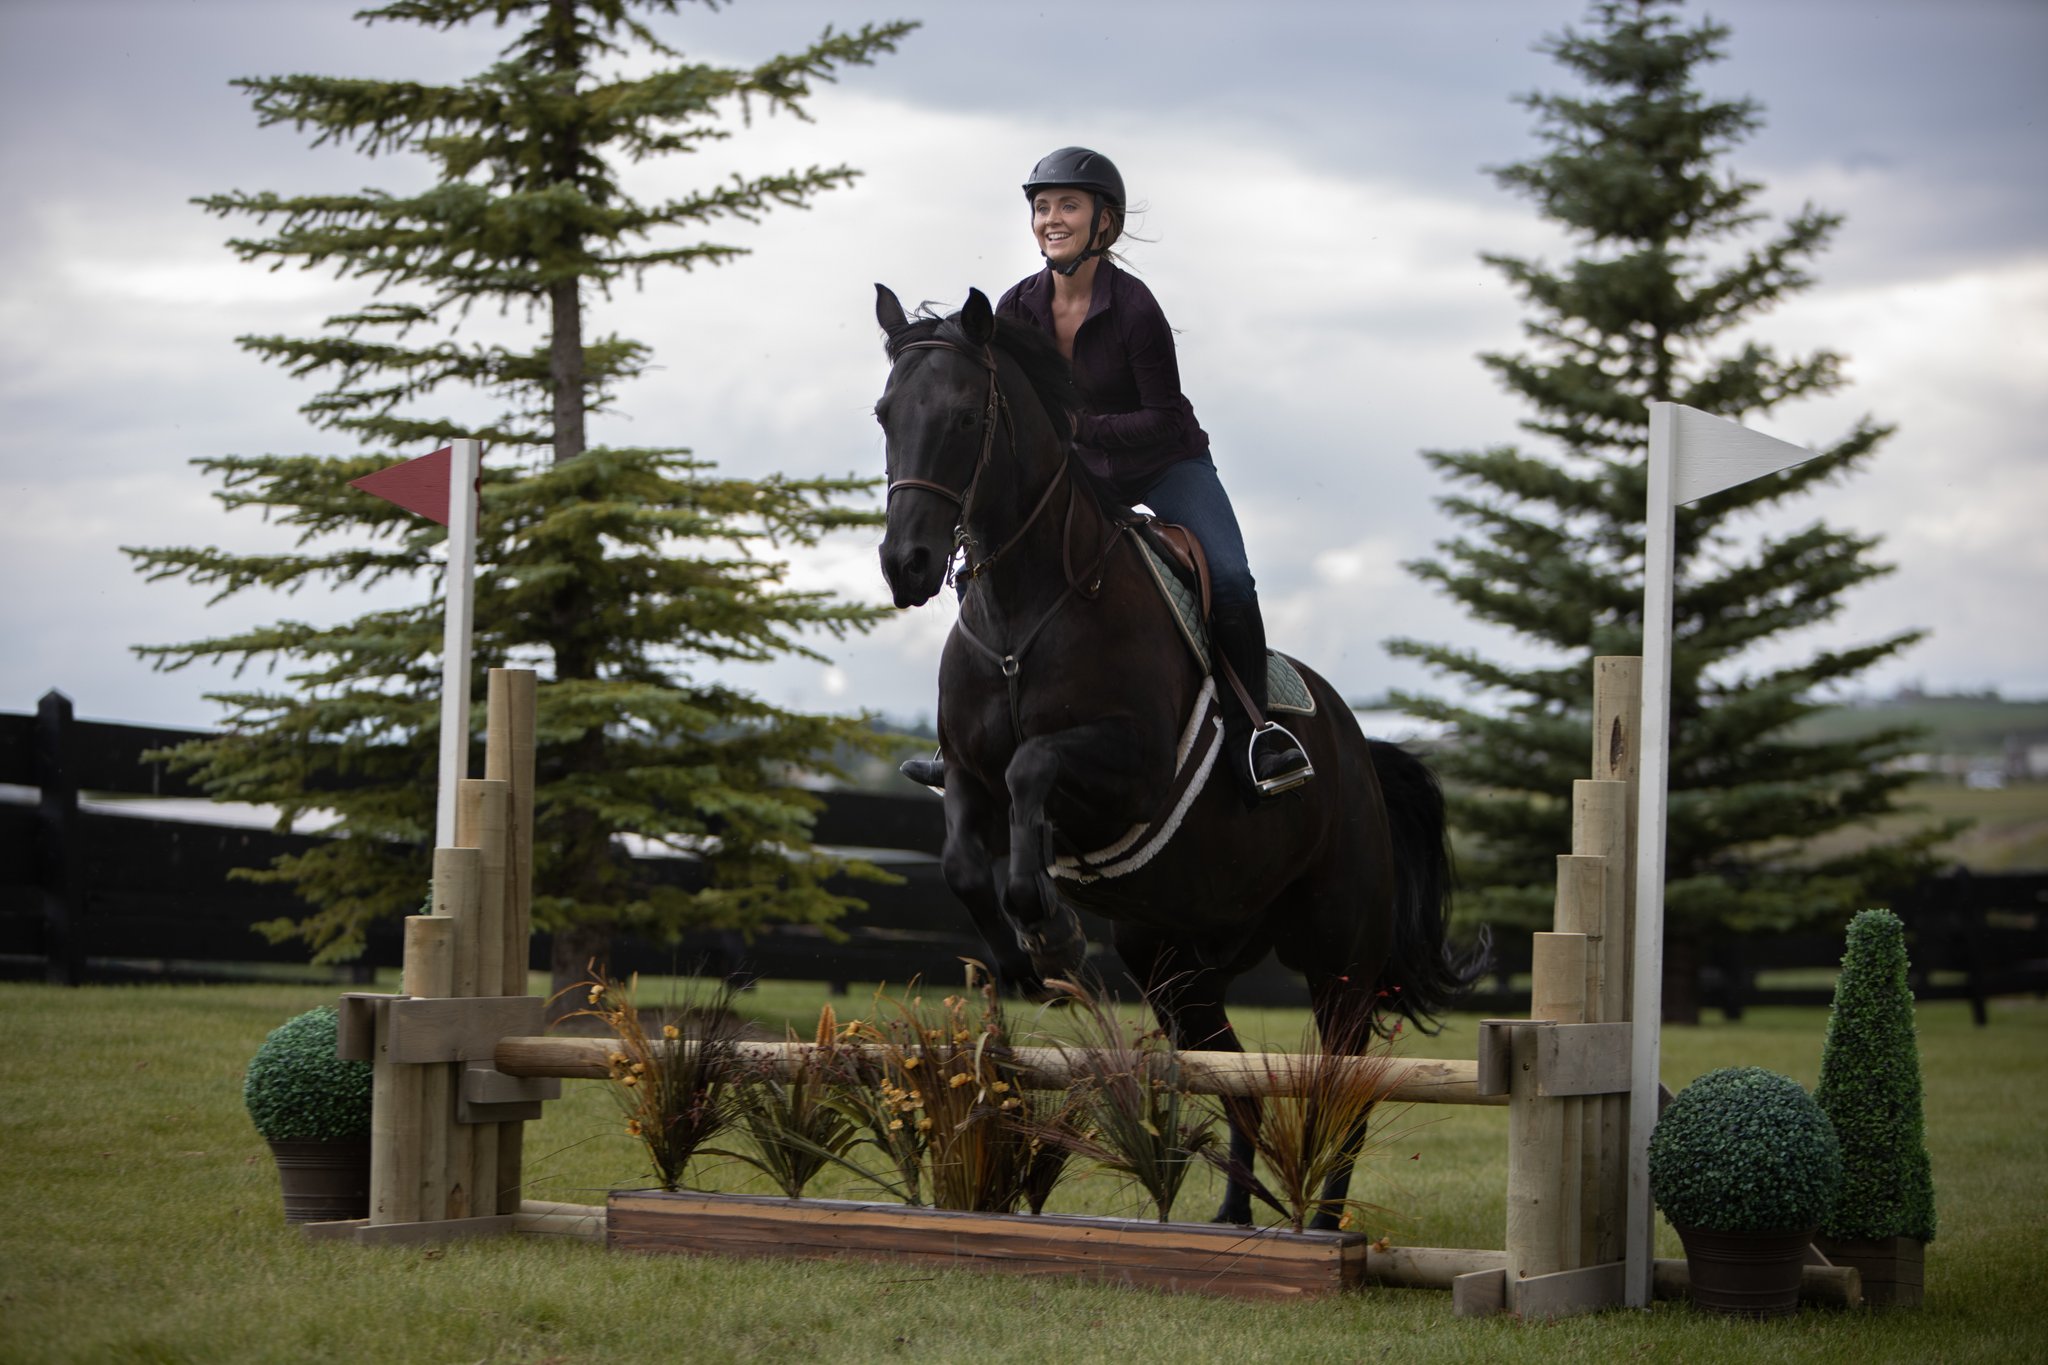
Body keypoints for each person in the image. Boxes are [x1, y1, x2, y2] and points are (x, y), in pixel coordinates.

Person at [901, 146, 1311, 802]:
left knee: (1230, 576)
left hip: (1165, 464)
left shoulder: (1135, 310)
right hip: (1081, 471)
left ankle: (1252, 733)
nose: (1051, 218)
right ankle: (968, 740)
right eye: (1042, 207)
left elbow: (1162, 416)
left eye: (1068, 205)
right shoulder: (1017, 307)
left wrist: (1080, 431)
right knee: (987, 553)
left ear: (1104, 224)